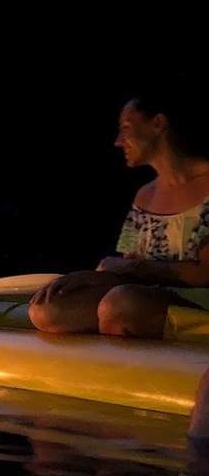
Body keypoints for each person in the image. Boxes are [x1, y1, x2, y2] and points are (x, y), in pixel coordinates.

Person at [29, 91, 209, 338]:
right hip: (141, 293)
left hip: (195, 300)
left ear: (158, 123)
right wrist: (91, 278)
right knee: (49, 308)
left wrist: (134, 267)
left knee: (121, 304)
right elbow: (125, 268)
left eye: (126, 128)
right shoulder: (144, 196)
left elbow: (202, 274)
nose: (118, 141)